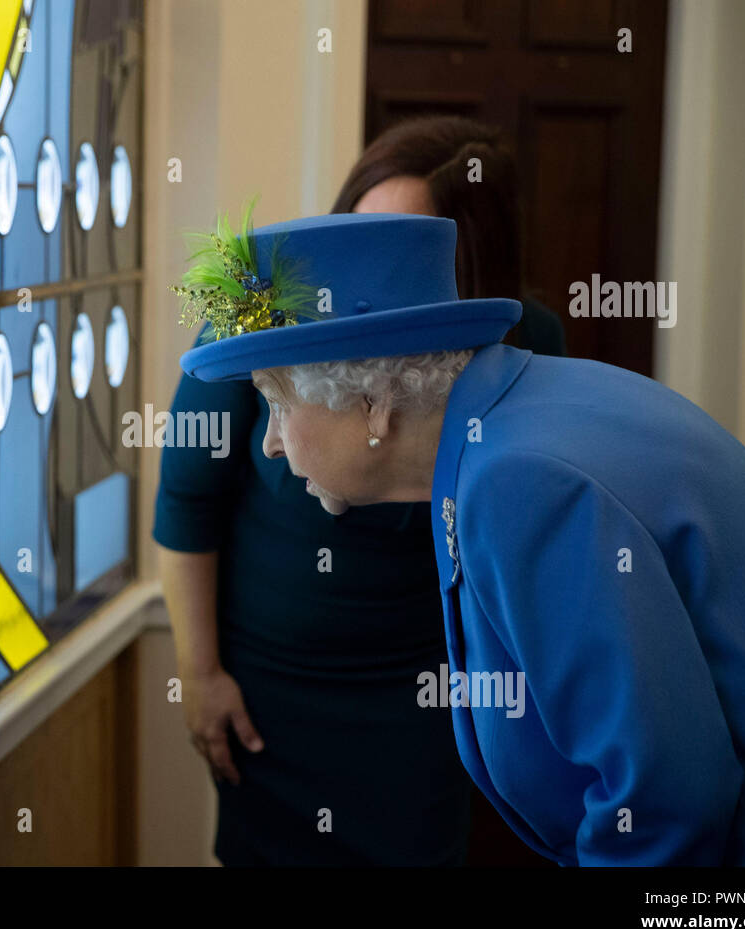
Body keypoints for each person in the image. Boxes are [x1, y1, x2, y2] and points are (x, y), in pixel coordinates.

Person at [176, 209, 745, 865]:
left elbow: (661, 806)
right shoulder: (505, 426)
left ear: (372, 404)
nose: (272, 441)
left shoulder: (516, 482)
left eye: (279, 403)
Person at [154, 115, 562, 866]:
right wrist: (199, 672)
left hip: (421, 700)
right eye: (359, 227)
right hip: (268, 696)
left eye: (403, 245)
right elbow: (187, 502)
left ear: (466, 265)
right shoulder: (259, 329)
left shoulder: (523, 347)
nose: (365, 267)